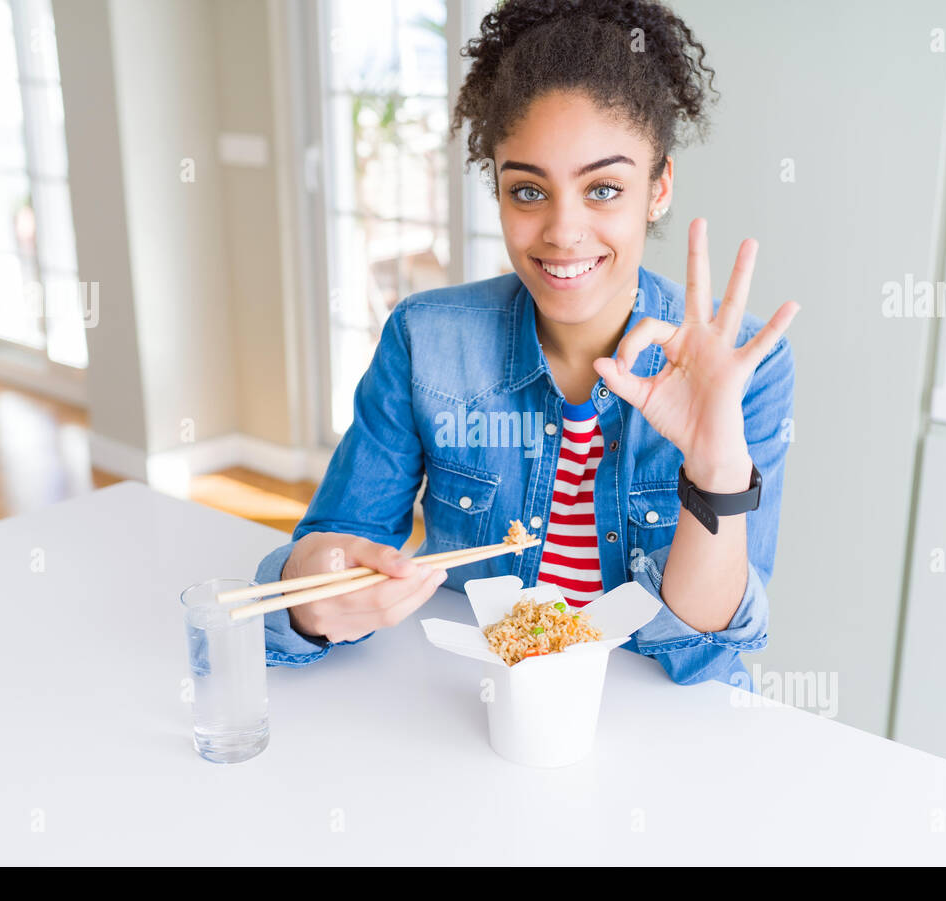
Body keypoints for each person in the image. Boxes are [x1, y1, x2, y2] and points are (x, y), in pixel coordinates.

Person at [254, 0, 798, 688]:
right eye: (528, 190)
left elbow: (704, 642)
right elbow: (322, 557)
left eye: (604, 188)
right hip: (479, 708)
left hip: (663, 729)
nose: (563, 232)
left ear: (659, 188)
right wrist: (320, 595)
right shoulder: (427, 341)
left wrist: (715, 461)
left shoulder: (746, 365)